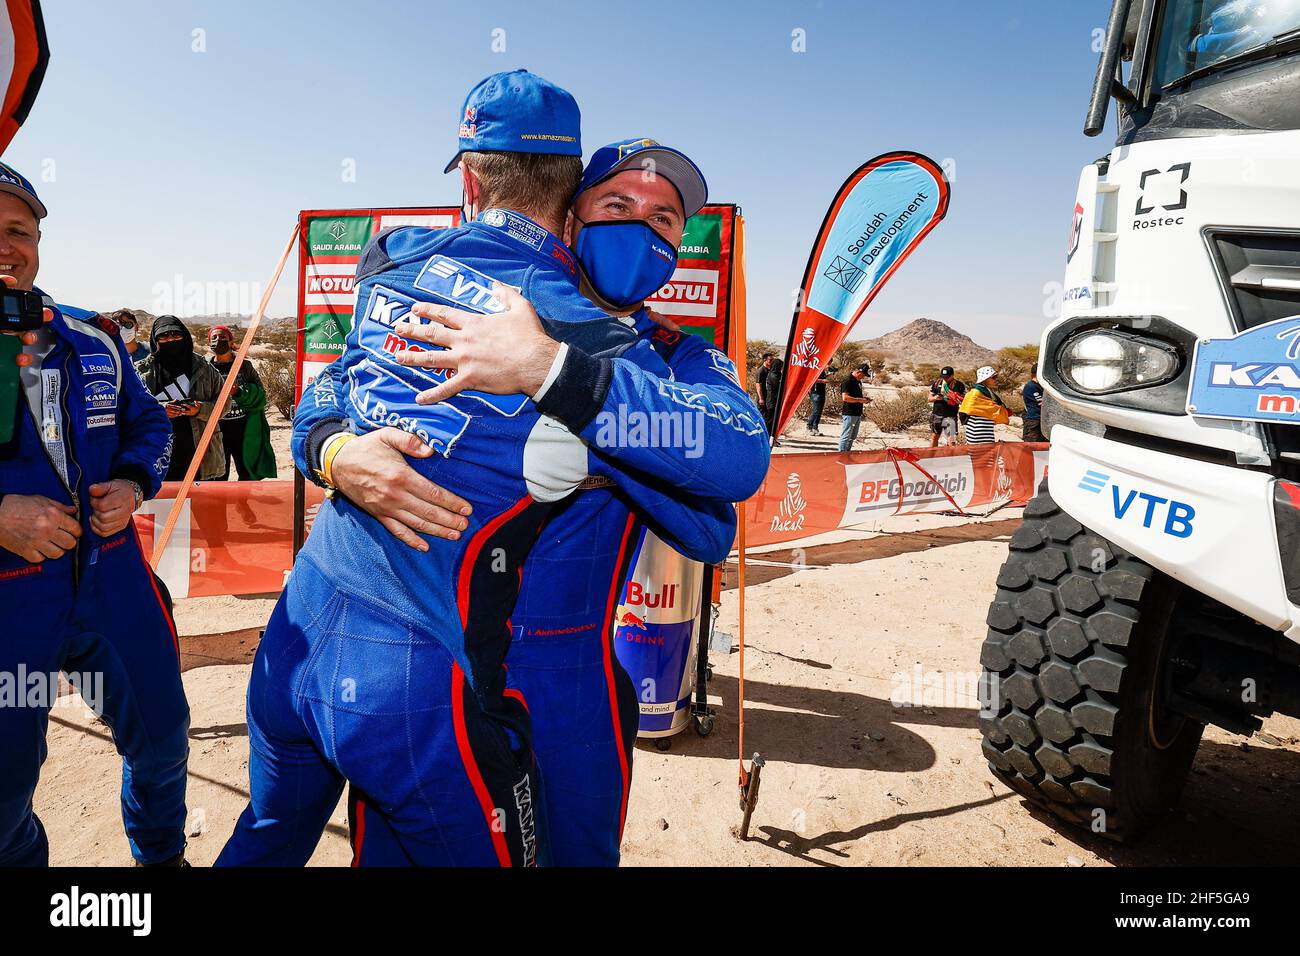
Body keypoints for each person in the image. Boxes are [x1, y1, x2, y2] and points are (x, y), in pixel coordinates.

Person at [217, 77, 767, 867]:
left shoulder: (671, 356)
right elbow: (334, 384)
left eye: (663, 218)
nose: (640, 230)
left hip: (562, 665)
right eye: (618, 208)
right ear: (572, 206)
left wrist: (552, 374)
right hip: (455, 657)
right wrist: (339, 449)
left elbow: (722, 495)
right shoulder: (492, 296)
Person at [0, 164, 189, 867]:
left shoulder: (91, 335)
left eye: (18, 229)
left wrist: (135, 485)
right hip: (9, 602)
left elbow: (152, 428)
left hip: (113, 584)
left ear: (39, 241)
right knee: (2, 799)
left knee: (166, 741)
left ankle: (162, 861)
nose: (5, 245)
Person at [136, 315, 226, 481]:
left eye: (175, 334)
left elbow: (224, 404)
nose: (170, 339)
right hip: (156, 454)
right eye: (163, 336)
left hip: (200, 454)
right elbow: (130, 408)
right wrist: (160, 410)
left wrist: (200, 409)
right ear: (155, 340)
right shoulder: (142, 370)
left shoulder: (204, 368)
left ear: (185, 336)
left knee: (200, 505)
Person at [208, 325, 275, 480]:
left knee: (246, 473)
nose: (218, 341)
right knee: (219, 475)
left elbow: (261, 394)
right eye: (214, 338)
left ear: (232, 342)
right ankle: (221, 505)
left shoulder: (244, 366)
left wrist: (239, 391)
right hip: (217, 431)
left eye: (223, 337)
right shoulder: (206, 368)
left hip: (243, 429)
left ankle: (244, 504)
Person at [959, 365, 1010, 445]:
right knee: (984, 455)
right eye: (993, 377)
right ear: (985, 379)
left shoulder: (985, 391)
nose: (995, 379)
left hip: (985, 429)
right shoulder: (976, 393)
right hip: (978, 430)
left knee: (983, 455)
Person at [928, 365, 966, 447]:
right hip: (937, 414)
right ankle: (931, 457)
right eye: (943, 377)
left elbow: (964, 401)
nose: (945, 379)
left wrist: (953, 398)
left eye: (947, 377)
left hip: (951, 415)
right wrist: (936, 398)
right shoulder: (937, 383)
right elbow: (929, 399)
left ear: (952, 375)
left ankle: (951, 458)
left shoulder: (959, 385)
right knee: (934, 437)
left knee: (951, 439)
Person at [838, 364, 872, 452]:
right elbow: (845, 398)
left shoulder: (858, 381)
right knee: (846, 436)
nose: (863, 377)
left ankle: (847, 454)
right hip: (849, 413)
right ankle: (841, 454)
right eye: (863, 375)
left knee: (852, 437)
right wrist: (860, 400)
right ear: (858, 372)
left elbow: (856, 396)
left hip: (857, 413)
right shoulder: (848, 381)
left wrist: (864, 399)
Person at [1021, 365, 1045, 442]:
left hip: (1040, 421)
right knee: (1031, 447)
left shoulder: (1040, 386)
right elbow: (1041, 403)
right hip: (1033, 421)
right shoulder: (1031, 386)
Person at [807, 365, 832, 436]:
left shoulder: (822, 371)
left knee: (819, 411)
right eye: (828, 363)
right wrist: (822, 381)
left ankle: (815, 428)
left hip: (821, 392)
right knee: (816, 410)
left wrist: (828, 376)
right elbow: (812, 379)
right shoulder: (816, 369)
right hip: (815, 392)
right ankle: (809, 427)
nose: (828, 365)